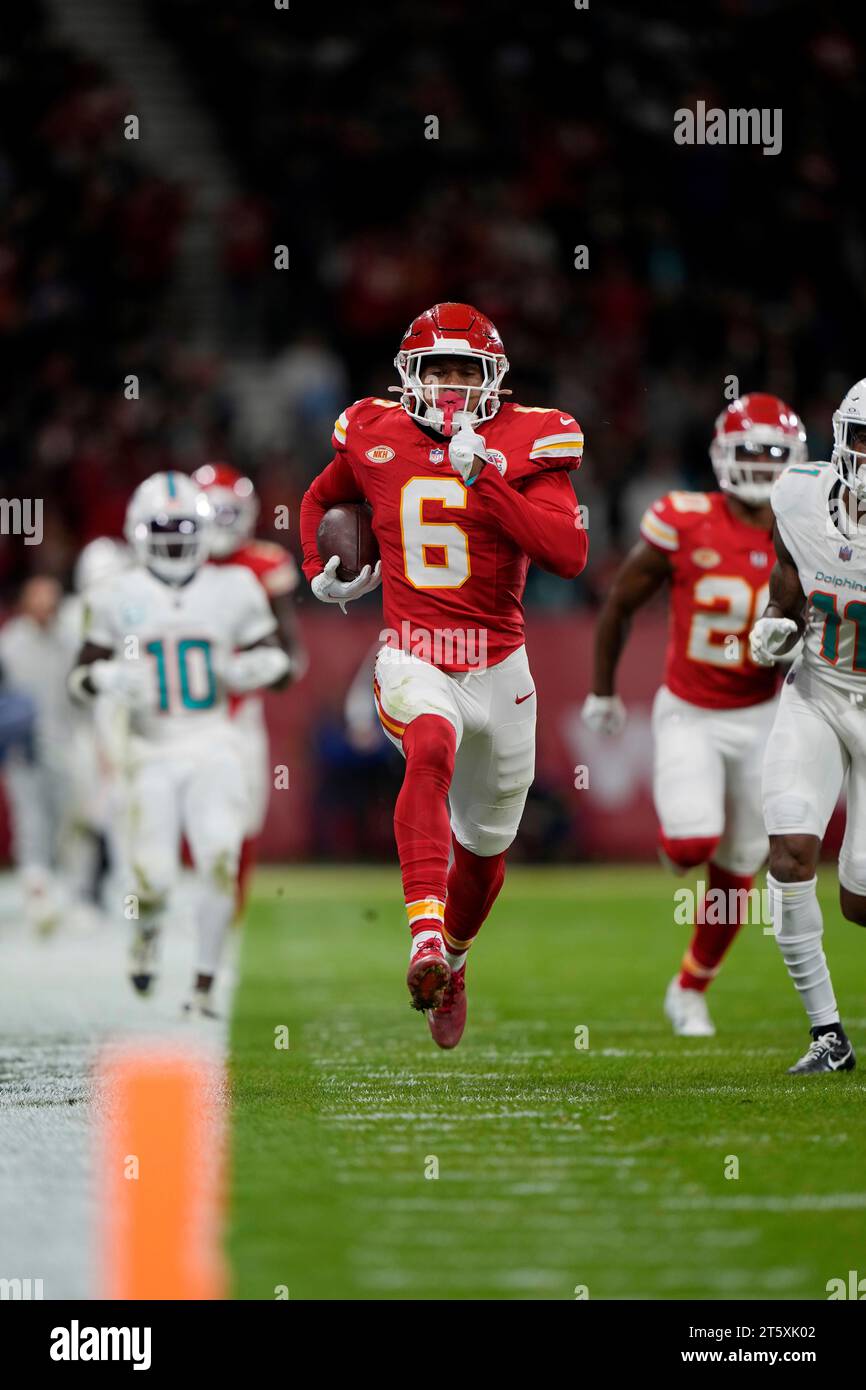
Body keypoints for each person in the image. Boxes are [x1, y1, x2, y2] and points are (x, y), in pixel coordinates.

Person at [299, 302, 587, 1048]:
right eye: (438, 370)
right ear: (410, 376)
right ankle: (424, 937)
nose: (453, 385)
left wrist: (488, 483)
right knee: (428, 746)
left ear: (494, 379)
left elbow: (568, 553)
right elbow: (323, 497)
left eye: (466, 370)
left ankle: (453, 961)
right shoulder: (372, 429)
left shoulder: (530, 437)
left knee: (486, 853)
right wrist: (317, 568)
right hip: (415, 650)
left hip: (501, 664)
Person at [583, 395, 807, 1036]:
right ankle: (681, 842)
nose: (762, 466)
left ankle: (689, 988)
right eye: (750, 452)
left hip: (766, 714)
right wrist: (602, 691)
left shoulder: (808, 528)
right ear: (719, 458)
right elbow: (619, 603)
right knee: (690, 845)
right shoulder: (682, 519)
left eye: (774, 453)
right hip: (691, 710)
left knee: (740, 861)